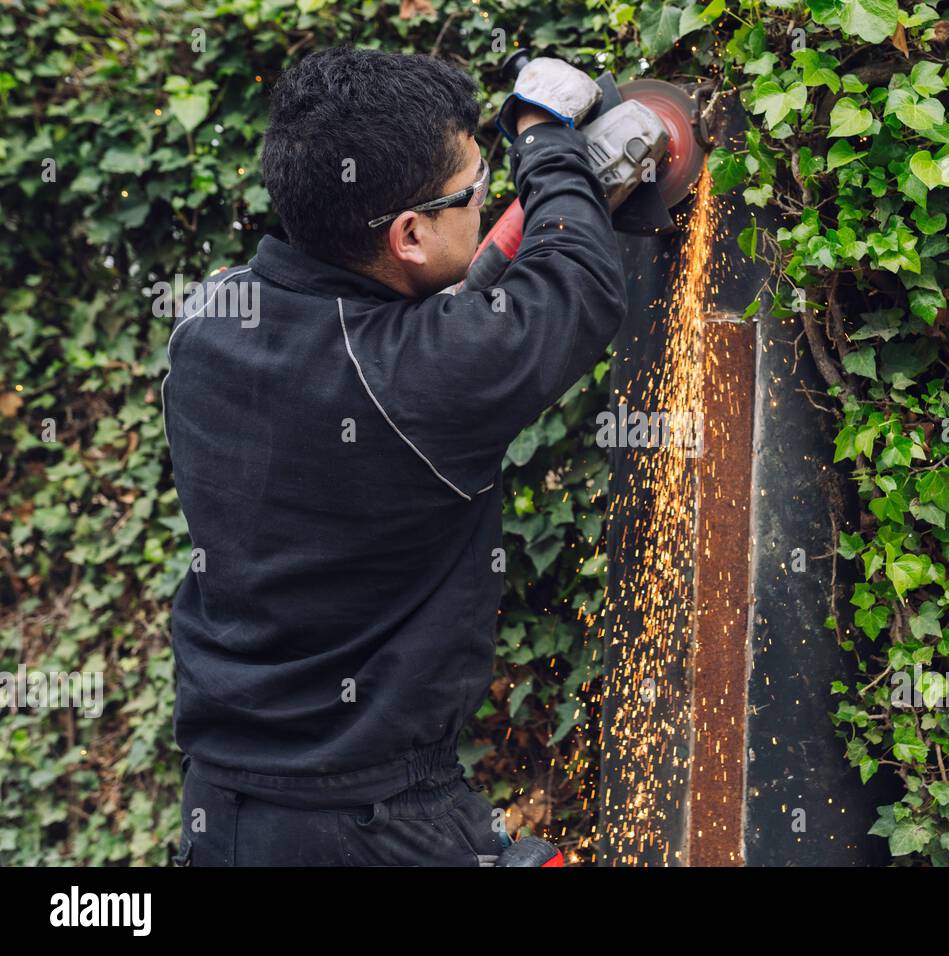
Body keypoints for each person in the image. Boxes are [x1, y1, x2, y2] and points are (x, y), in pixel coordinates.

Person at [162, 46, 625, 865]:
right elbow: (579, 286)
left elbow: (413, 338)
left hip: (225, 810)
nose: (487, 204)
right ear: (410, 234)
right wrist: (545, 136)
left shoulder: (208, 323)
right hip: (371, 825)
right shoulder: (419, 375)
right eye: (477, 192)